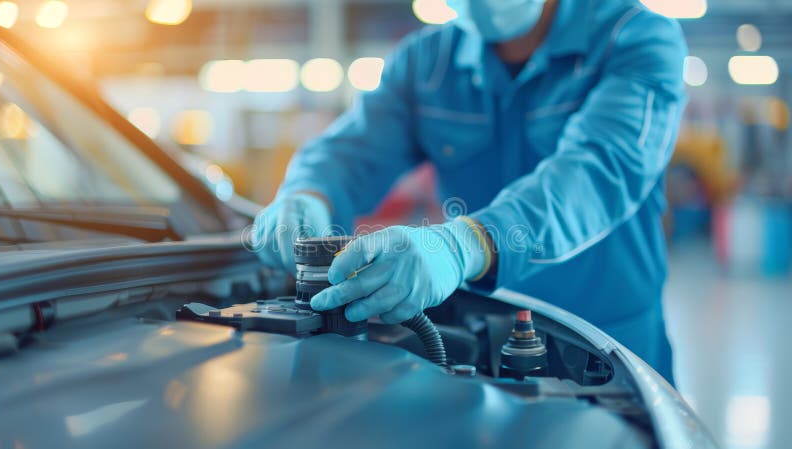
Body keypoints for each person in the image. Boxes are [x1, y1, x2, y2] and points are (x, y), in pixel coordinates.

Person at [253, 0, 687, 382]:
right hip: (484, 336)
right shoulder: (426, 64)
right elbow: (352, 152)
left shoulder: (636, 38)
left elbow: (599, 171)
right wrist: (309, 193)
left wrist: (467, 244)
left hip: (606, 350)